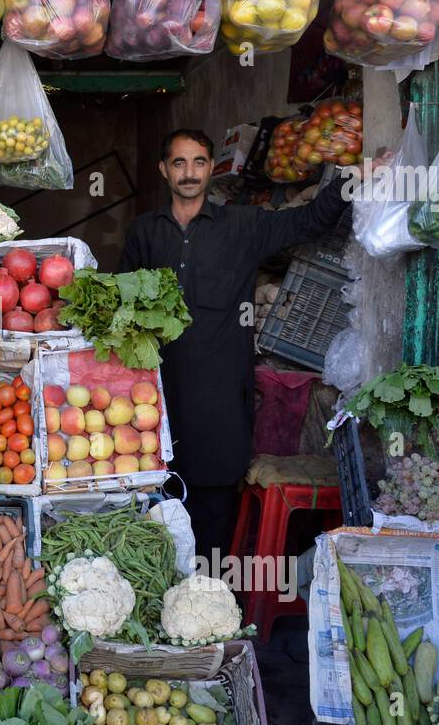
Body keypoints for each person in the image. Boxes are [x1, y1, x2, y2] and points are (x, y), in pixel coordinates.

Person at [119, 128, 352, 570]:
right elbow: (122, 299)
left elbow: (309, 220)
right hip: (156, 393)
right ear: (164, 170)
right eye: (180, 163)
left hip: (221, 393)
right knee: (155, 493)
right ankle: (157, 589)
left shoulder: (243, 226)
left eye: (199, 162)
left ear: (211, 168)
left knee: (213, 501)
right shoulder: (145, 232)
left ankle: (207, 592)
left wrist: (351, 178)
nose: (190, 173)